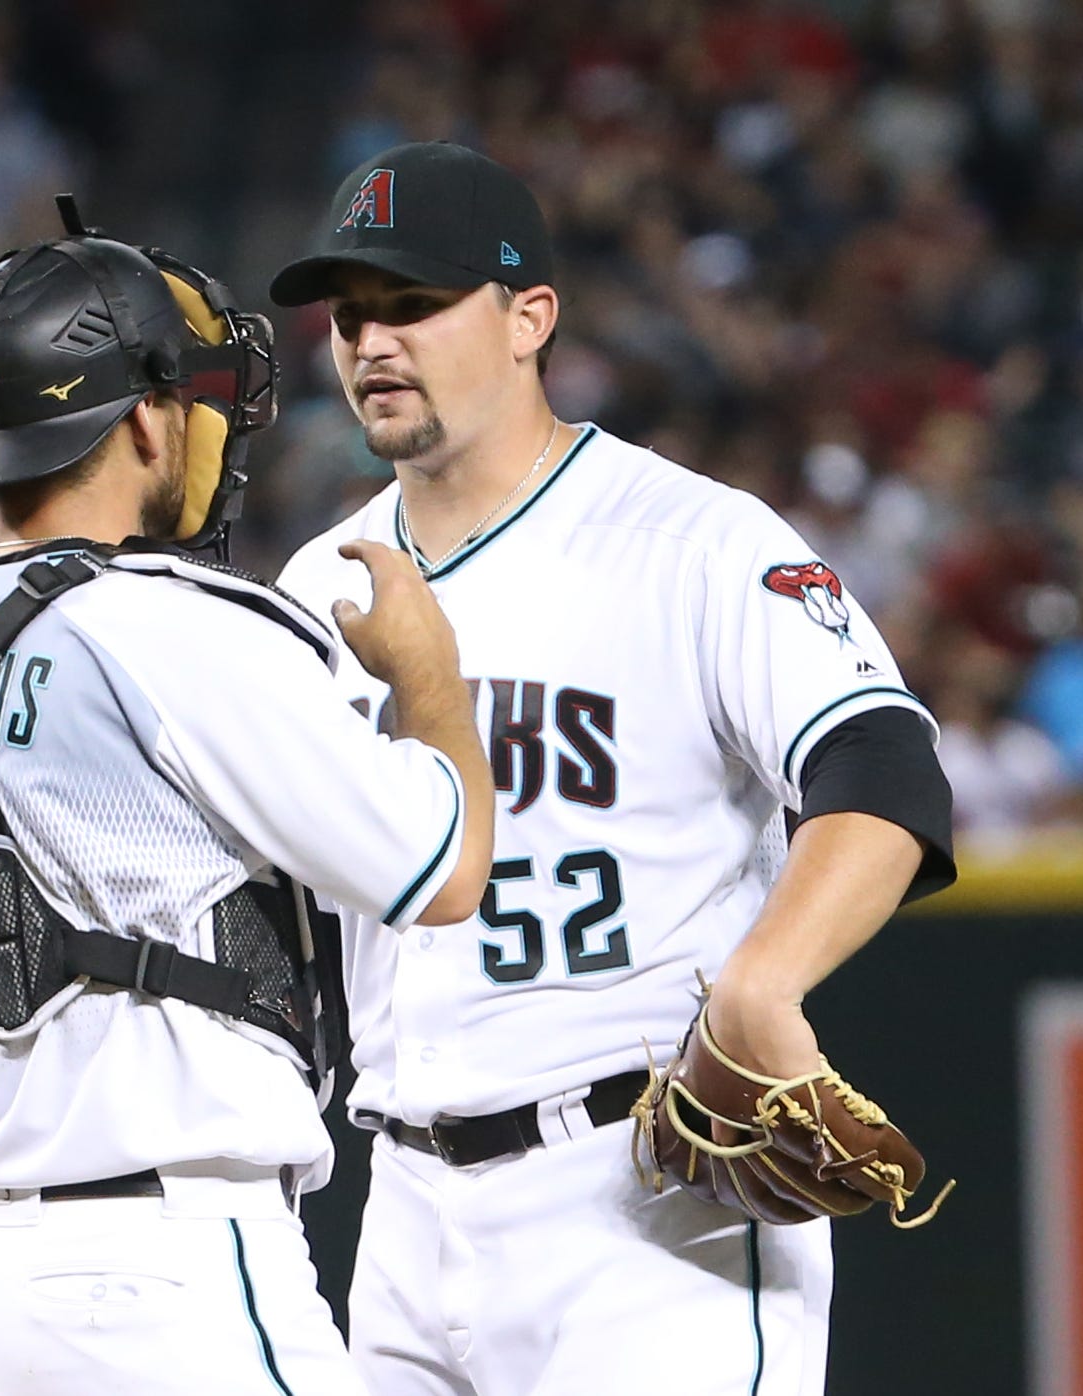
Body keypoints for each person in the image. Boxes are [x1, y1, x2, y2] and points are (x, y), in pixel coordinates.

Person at [0, 201, 497, 1396]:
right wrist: (430, 682)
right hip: (173, 1274)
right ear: (146, 421)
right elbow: (443, 870)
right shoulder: (183, 629)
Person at [267, 141, 958, 1395]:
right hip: (401, 1211)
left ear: (528, 316)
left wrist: (762, 981)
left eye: (412, 304)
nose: (371, 341)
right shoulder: (312, 587)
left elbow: (886, 767)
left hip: (646, 1193)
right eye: (350, 313)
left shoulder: (689, 539)